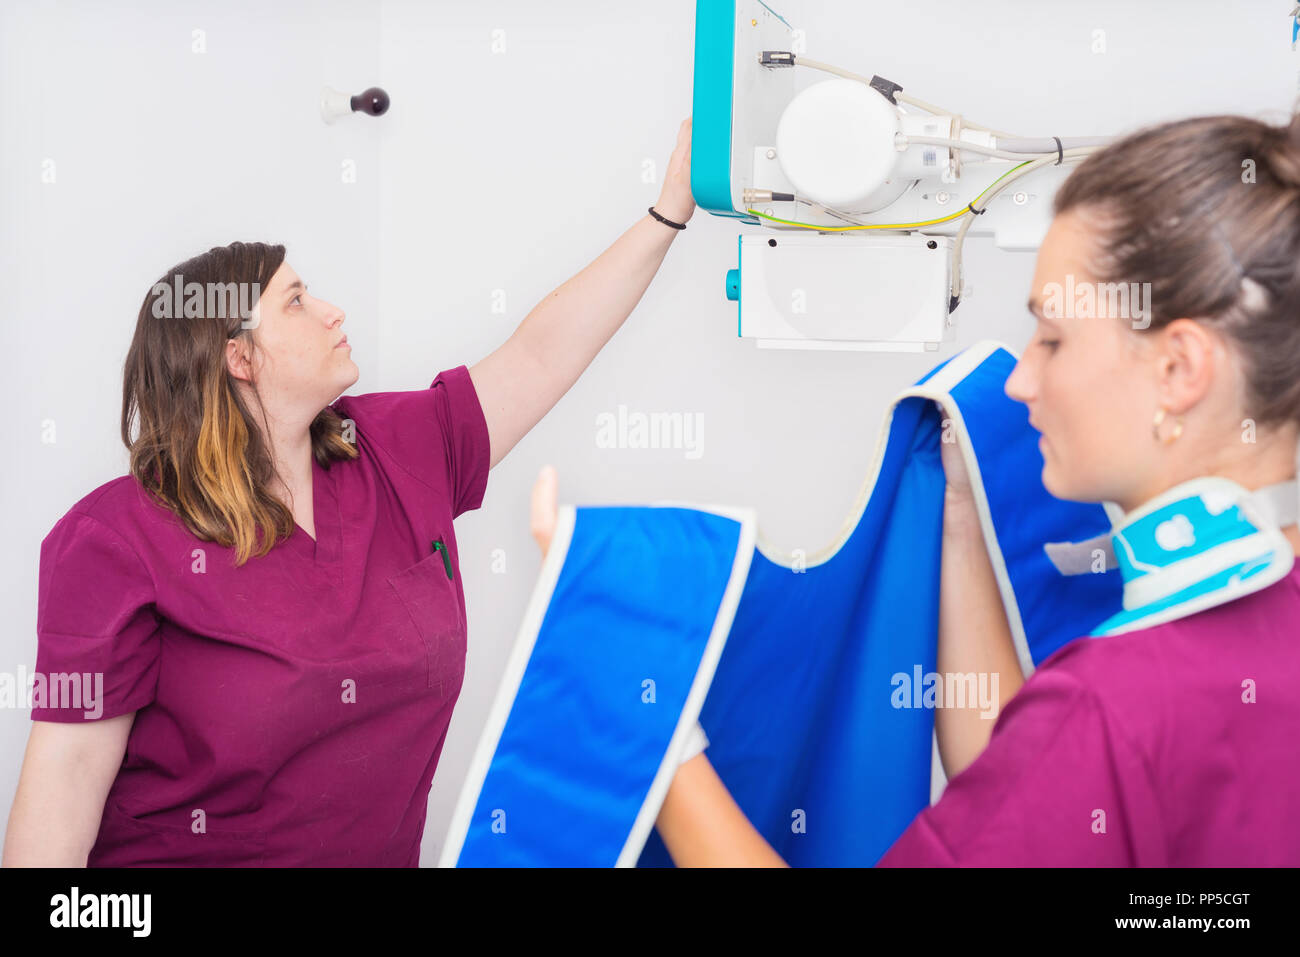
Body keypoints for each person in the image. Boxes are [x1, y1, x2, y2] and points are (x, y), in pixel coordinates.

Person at [531, 109, 1300, 866]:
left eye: (1054, 340)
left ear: (1179, 370)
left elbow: (1074, 756)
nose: (1023, 378)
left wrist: (640, 687)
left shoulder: (1113, 704)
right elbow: (1031, 800)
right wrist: (959, 517)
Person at [2, 119, 697, 868]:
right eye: (297, 301)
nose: (333, 310)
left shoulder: (396, 450)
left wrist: (668, 213)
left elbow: (539, 353)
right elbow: (61, 799)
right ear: (236, 357)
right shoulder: (111, 541)